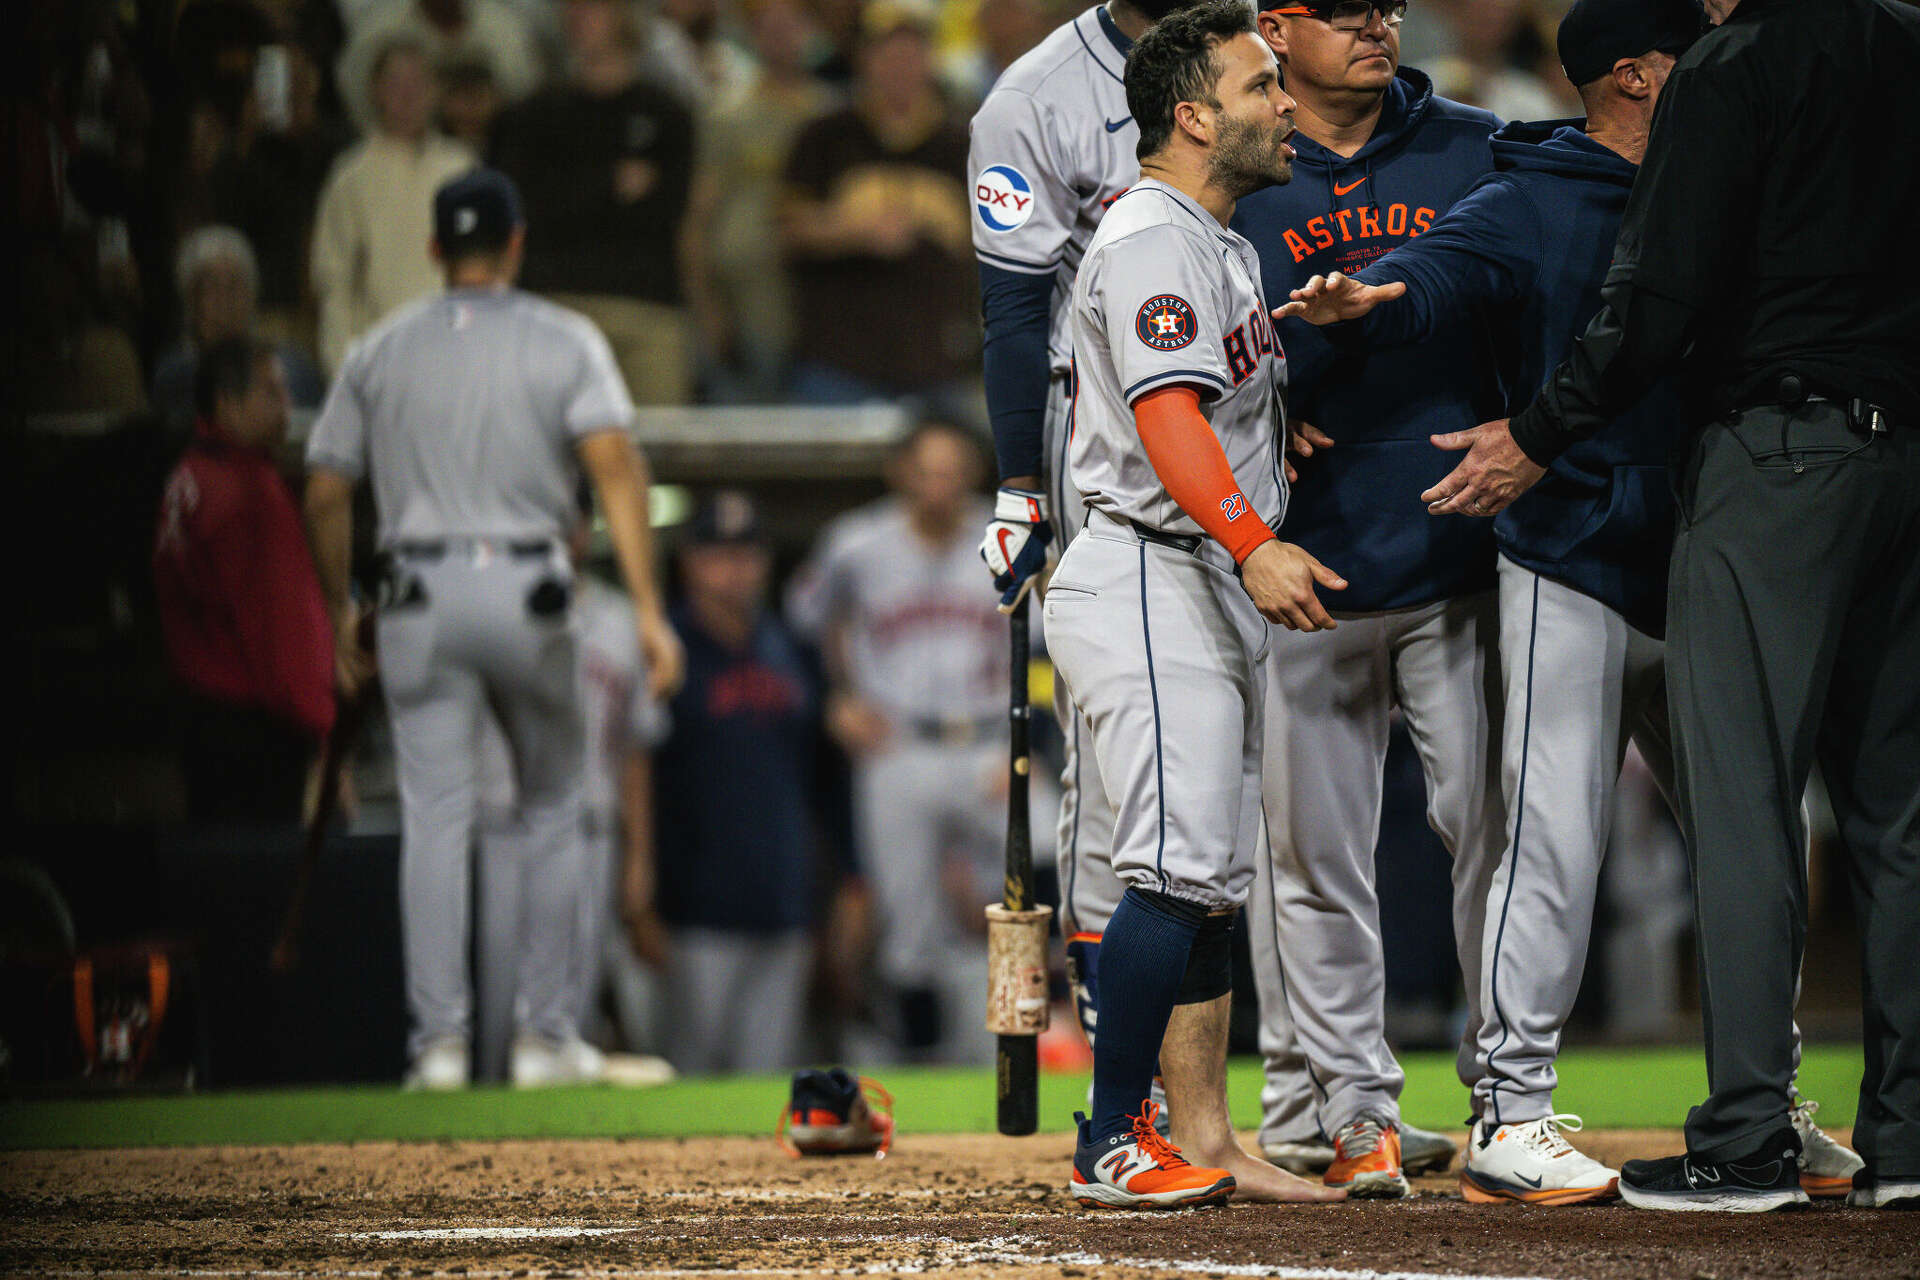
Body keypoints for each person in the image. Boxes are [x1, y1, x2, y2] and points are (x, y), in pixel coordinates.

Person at [1274, 0, 1862, 1206]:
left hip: (1703, 554)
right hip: (1568, 557)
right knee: (1550, 837)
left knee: (1753, 839)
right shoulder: (1534, 190)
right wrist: (1369, 298)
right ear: (1639, 78)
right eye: (1692, 63)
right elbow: (1437, 268)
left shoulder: (1729, 182)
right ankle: (1510, 1108)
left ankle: (1764, 1097)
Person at [1419, 0, 1920, 1212]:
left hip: (1781, 455)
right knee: (1899, 817)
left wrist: (1543, 431)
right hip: (1907, 460)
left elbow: (1663, 290)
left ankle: (1748, 1136)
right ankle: (1906, 1140)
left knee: (1744, 798)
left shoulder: (1734, 63)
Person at [969, 0, 1334, 1204]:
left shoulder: (1215, 238)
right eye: (1259, 87)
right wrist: (1251, 540)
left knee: (1205, 877)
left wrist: (1285, 386)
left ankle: (1208, 1137)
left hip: (1186, 577)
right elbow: (1168, 420)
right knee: (1173, 873)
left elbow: (1199, 400)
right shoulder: (1148, 238)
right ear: (1191, 115)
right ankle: (1109, 1139)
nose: (1285, 105)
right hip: (1147, 567)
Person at [303, 168, 684, 1091]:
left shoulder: (378, 347)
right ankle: (544, 1040)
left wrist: (340, 607)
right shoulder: (564, 337)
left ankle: (436, 1048)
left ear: (435, 249)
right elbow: (617, 467)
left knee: (436, 817)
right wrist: (642, 606)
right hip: (528, 591)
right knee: (554, 807)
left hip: (416, 596)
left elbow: (323, 488)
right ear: (516, 242)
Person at [1224, 0, 1502, 1197]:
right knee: (1313, 861)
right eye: (1340, 11)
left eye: (1383, 5)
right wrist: (1266, 406)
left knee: (1500, 840)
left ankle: (1512, 1099)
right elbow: (1174, 351)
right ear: (1276, 29)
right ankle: (1354, 1111)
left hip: (1468, 554)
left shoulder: (1479, 145)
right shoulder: (1237, 169)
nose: (1374, 26)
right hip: (1310, 567)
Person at [787, 421, 1052, 1064]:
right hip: (897, 746)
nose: (937, 484)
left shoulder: (1006, 539)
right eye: (925, 469)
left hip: (989, 743)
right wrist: (834, 696)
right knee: (906, 923)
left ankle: (1032, 1038)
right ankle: (920, 1061)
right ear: (899, 472)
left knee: (1043, 857)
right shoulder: (855, 544)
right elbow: (802, 623)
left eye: (951, 469)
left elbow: (1048, 649)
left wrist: (1033, 744)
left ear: (971, 473)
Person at [472, 497, 672, 1086]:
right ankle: (474, 1143)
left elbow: (636, 752)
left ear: (585, 532)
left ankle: (560, 1151)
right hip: (503, 823)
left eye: (567, 521)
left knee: (571, 1003)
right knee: (496, 996)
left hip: (590, 826)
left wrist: (639, 861)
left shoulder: (620, 619)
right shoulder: (484, 614)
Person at [651, 492, 828, 1074]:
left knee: (768, 1081)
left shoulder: (788, 647)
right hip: (690, 909)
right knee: (688, 1078)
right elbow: (638, 779)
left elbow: (820, 780)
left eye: (746, 552)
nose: (733, 567)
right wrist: (639, 902)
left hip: (781, 903)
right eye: (717, 553)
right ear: (689, 562)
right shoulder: (664, 651)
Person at [154, 337, 335, 824]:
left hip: (200, 718)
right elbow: (281, 631)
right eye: (272, 392)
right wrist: (324, 735)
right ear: (229, 403)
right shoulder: (247, 497)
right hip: (254, 735)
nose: (288, 404)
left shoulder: (188, 475)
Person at [489, 0, 700, 406]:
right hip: (558, 304)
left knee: (661, 453)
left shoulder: (666, 113)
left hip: (647, 306)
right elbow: (529, 212)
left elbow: (668, 213)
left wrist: (575, 192)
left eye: (592, 5)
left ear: (624, 14)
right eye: (570, 6)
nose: (577, 14)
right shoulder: (533, 116)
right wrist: (608, 186)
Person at [778, 3, 977, 415]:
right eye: (887, 53)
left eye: (912, 53)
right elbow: (787, 229)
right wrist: (854, 232)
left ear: (930, 61)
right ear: (864, 59)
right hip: (837, 360)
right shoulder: (824, 135)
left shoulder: (966, 144)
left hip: (938, 363)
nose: (900, 66)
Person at [310, 35, 475, 374]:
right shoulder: (351, 177)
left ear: (435, 92)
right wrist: (342, 369)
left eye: (418, 82)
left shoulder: (462, 168)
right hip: (380, 363)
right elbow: (333, 284)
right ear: (375, 90)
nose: (407, 94)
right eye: (395, 82)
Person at [152, 227, 326, 433]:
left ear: (252, 295)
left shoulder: (293, 369)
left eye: (235, 285)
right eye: (211, 286)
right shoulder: (175, 373)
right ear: (191, 299)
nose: (225, 299)